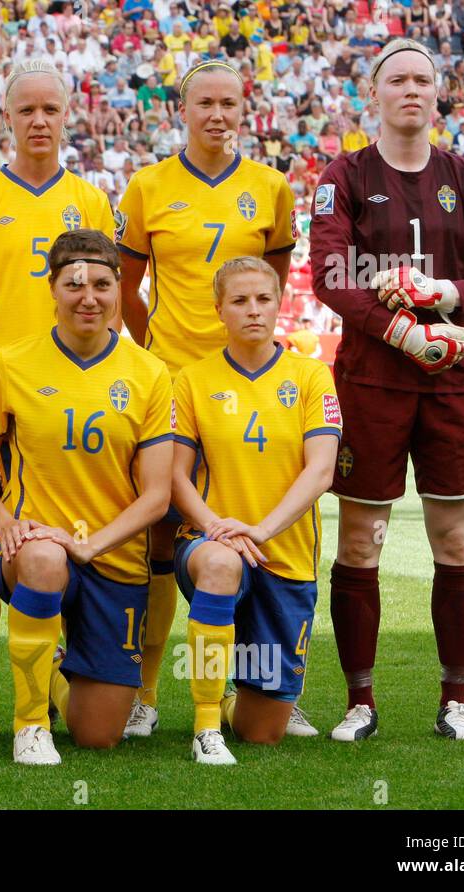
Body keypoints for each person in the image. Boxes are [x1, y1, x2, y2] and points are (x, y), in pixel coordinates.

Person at [309, 39, 464, 744]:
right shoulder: (342, 175)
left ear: (438, 93)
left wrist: (447, 292)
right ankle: (360, 701)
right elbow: (331, 277)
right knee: (363, 538)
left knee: (455, 538)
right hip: (373, 378)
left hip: (451, 381)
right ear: (374, 94)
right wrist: (402, 332)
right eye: (397, 78)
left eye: (423, 79)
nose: (411, 89)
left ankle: (455, 701)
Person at [116, 60, 303, 740]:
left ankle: (259, 685)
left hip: (248, 382)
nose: (218, 114)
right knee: (162, 528)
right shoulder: (149, 187)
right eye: (205, 103)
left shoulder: (271, 188)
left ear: (243, 108)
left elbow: (268, 282)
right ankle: (145, 691)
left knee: (253, 522)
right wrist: (160, 356)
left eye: (230, 102)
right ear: (183, 109)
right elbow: (126, 290)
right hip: (172, 381)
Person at [0, 59, 115, 742]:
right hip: (1, 403)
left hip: (73, 406)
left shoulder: (93, 201)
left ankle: (84, 679)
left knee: (74, 539)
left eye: (51, 110)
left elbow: (106, 304)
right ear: (6, 119)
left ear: (67, 115)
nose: (39, 122)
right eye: (27, 111)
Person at [0, 229, 174, 765]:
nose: (89, 297)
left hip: (113, 556)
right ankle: (29, 724)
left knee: (98, 734)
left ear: (119, 289)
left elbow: (156, 496)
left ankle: (56, 670)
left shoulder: (149, 374)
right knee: (41, 556)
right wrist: (2, 523)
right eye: (74, 284)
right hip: (31, 546)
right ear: (52, 288)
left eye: (102, 284)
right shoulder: (9, 365)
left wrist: (89, 545)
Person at [171, 257, 341, 764]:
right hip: (209, 544)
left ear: (280, 303)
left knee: (263, 730)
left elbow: (321, 471)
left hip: (282, 556)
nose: (253, 311)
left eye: (263, 299)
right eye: (239, 301)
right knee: (222, 566)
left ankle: (230, 704)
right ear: (219, 308)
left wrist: (261, 530)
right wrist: (216, 529)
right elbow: (175, 476)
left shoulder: (312, 376)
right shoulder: (192, 379)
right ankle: (205, 727)